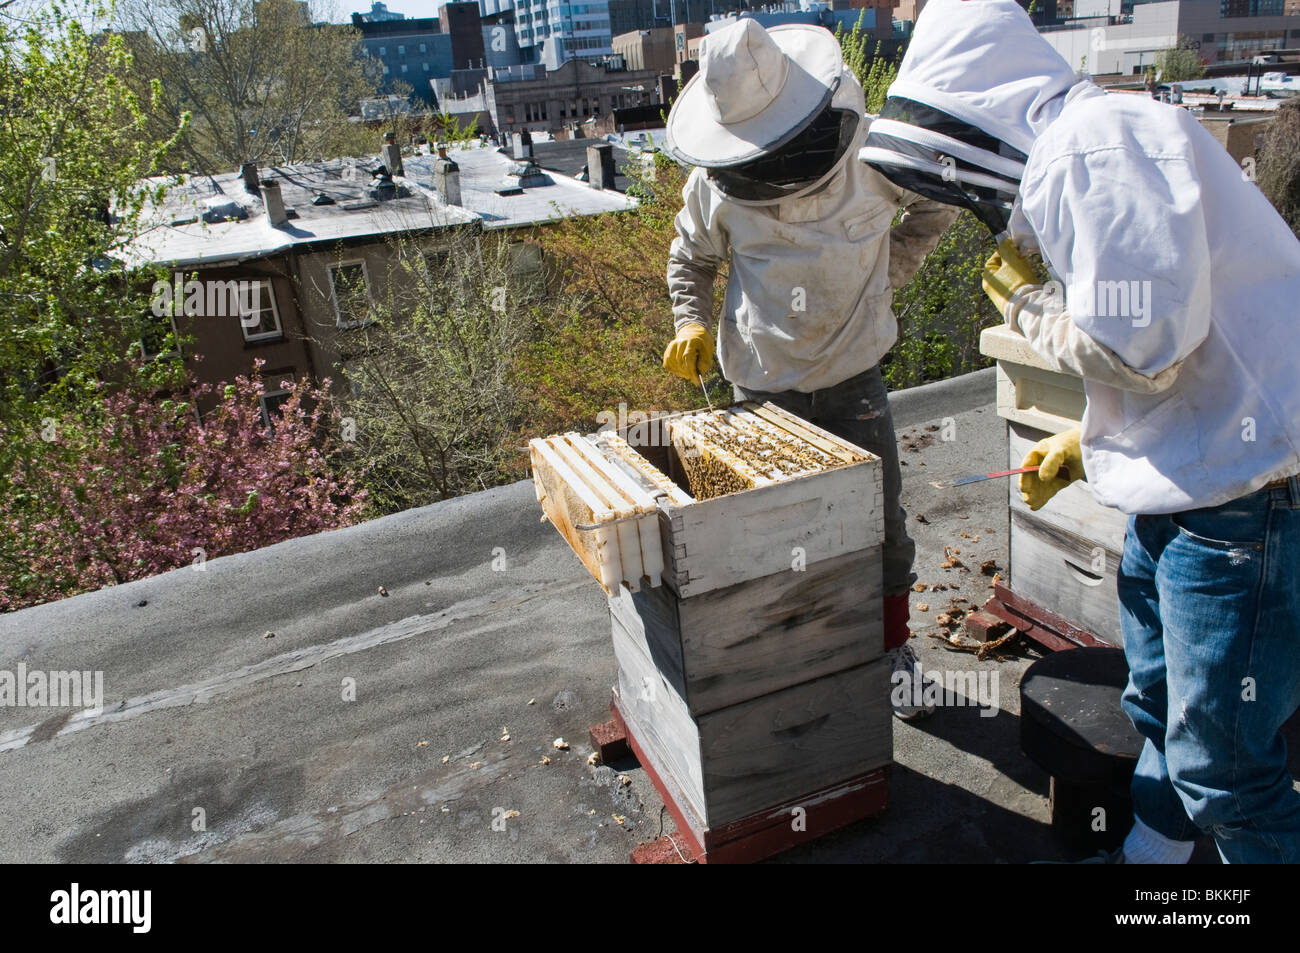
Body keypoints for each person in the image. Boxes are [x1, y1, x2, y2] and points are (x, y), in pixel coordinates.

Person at [861, 0, 1300, 862]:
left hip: (1246, 490)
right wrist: (1098, 440)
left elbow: (1144, 348)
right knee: (1161, 699)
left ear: (972, 113)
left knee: (1226, 766)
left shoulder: (1097, 149)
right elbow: (1167, 337)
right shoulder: (1095, 140)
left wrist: (1030, 307)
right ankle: (1154, 864)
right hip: (1199, 467)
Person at [661, 18, 957, 720]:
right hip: (760, 389)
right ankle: (796, 664)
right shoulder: (717, 184)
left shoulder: (876, 152)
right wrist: (690, 321)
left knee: (880, 528)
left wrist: (890, 273)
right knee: (774, 540)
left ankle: (889, 652)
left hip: (855, 378)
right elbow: (691, 257)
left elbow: (936, 207)